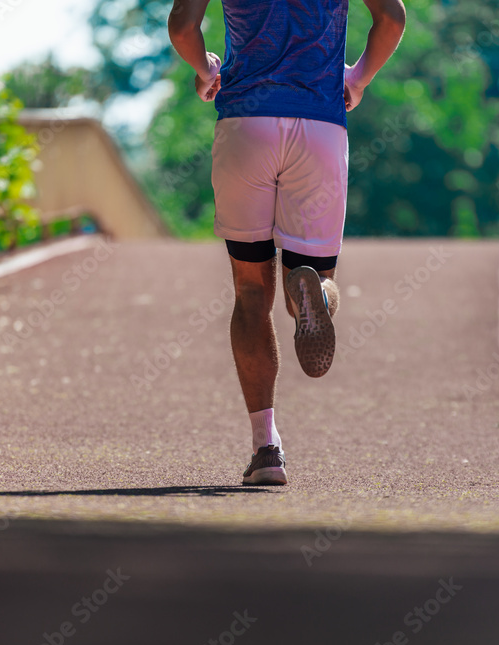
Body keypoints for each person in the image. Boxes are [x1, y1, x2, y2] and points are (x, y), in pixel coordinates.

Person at [168, 0, 406, 485]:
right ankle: (311, 294)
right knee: (316, 277)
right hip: (319, 125)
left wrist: (204, 68)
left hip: (245, 125)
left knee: (251, 293)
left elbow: (182, 26)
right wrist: (357, 79)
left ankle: (266, 449)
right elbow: (393, 17)